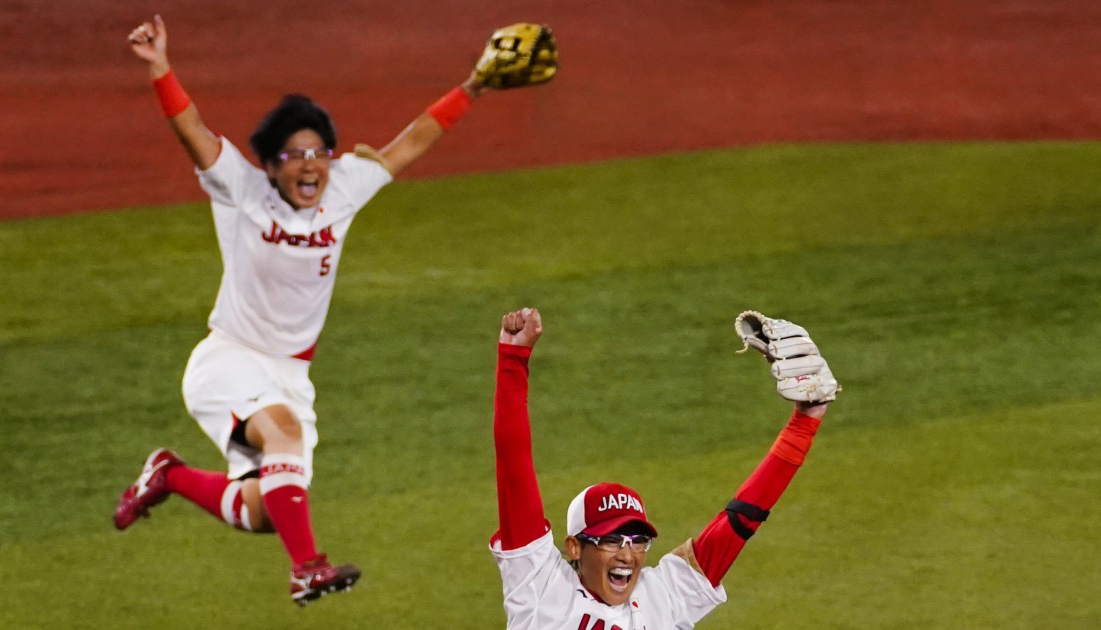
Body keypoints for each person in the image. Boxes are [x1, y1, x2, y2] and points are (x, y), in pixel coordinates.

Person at [112, 15, 548, 606]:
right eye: (294, 155)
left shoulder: (343, 187)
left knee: (266, 509)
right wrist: (161, 68)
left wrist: (472, 85)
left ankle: (170, 475)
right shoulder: (241, 190)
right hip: (229, 357)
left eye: (318, 151)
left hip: (292, 375)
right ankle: (307, 569)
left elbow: (413, 140)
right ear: (270, 164)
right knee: (284, 439)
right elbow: (192, 130)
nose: (309, 165)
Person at [490, 307, 837, 629]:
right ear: (575, 547)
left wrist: (804, 422)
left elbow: (741, 520)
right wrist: (513, 360)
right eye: (611, 540)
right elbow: (513, 468)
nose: (627, 554)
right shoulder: (540, 585)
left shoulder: (662, 595)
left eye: (638, 540)